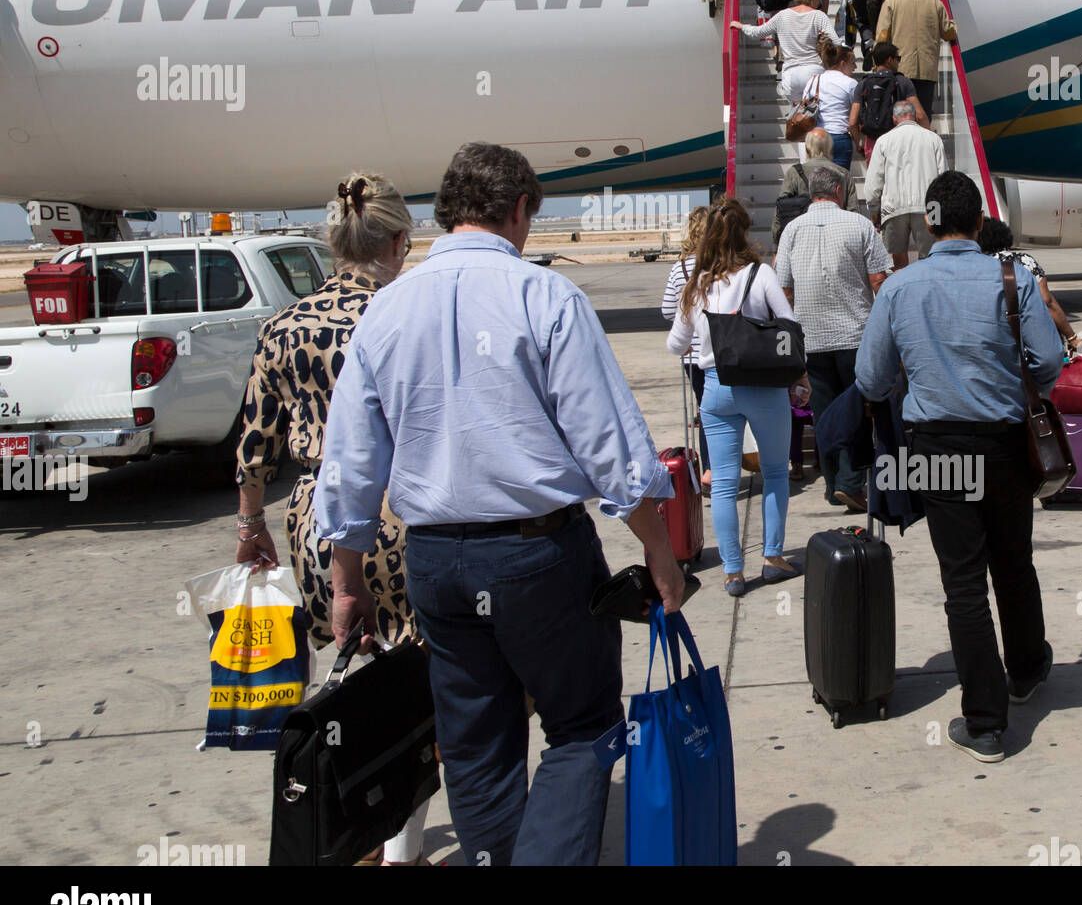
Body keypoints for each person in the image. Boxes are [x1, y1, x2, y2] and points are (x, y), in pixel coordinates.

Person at [313, 142, 685, 867]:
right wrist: (659, 550)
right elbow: (609, 445)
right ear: (517, 210)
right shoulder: (543, 297)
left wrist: (345, 582)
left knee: (476, 743)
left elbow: (352, 464)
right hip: (535, 554)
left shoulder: (386, 311)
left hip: (435, 562)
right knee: (580, 727)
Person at [235, 170, 435, 866]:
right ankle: (403, 849)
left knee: (349, 672)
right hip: (404, 511)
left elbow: (256, 443)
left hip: (318, 519)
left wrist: (249, 527)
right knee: (416, 683)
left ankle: (355, 835)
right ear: (400, 242)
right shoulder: (407, 315)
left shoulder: (282, 328)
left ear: (331, 244)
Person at [855, 170, 1064, 763]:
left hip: (937, 451)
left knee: (963, 584)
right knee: (1014, 564)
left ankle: (985, 723)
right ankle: (1025, 671)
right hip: (1004, 447)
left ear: (929, 223)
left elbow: (871, 379)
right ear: (978, 222)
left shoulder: (900, 287)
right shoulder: (1013, 277)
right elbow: (1049, 361)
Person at [668, 197, 808, 596]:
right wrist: (800, 376)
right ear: (744, 233)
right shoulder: (760, 275)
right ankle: (772, 558)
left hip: (716, 388)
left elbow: (675, 345)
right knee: (776, 472)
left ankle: (733, 572)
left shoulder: (698, 285)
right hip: (763, 388)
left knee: (726, 485)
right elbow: (789, 327)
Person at [775, 166, 891, 510]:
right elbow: (879, 282)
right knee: (856, 411)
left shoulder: (792, 230)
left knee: (824, 413)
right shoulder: (859, 226)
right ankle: (851, 482)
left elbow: (784, 290)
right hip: (855, 335)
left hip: (811, 338)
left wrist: (789, 342)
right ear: (839, 190)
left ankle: (833, 485)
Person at [661, 204, 712, 489]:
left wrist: (687, 314)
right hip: (717, 350)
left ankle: (707, 470)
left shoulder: (679, 268)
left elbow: (668, 310)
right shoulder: (720, 265)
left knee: (705, 408)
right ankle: (715, 467)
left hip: (690, 352)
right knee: (717, 411)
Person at [863, 101, 947, 268]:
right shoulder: (933, 139)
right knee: (932, 257)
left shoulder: (883, 141)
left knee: (898, 259)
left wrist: (874, 210)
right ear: (915, 116)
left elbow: (874, 182)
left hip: (893, 206)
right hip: (930, 207)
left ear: (894, 119)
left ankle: (904, 289)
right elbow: (944, 179)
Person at [732, 0, 838, 106]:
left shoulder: (782, 15)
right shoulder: (818, 16)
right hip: (813, 71)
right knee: (815, 116)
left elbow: (758, 32)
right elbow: (836, 42)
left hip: (790, 74)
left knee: (797, 119)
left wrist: (742, 26)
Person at [977, 217, 1080, 351]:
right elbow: (1047, 301)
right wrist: (1071, 337)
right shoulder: (1024, 260)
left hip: (994, 341)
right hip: (1030, 339)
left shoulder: (977, 265)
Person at [875, 0, 956, 121]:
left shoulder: (892, 2)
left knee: (901, 117)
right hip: (927, 71)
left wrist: (877, 65)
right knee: (923, 115)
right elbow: (949, 32)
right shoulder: (935, 3)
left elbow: (883, 38)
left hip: (900, 70)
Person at [771, 128, 853, 249]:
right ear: (830, 148)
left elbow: (780, 211)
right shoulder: (843, 173)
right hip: (837, 239)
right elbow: (853, 210)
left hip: (802, 240)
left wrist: (776, 247)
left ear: (807, 149)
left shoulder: (794, 173)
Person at [849, 41, 930, 163]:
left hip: (873, 144)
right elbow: (920, 115)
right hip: (899, 142)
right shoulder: (903, 82)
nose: (898, 62)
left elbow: (852, 122)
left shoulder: (863, 84)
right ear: (889, 60)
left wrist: (859, 144)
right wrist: (928, 138)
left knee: (876, 181)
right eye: (898, 58)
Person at [815, 39, 860, 170]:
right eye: (853, 63)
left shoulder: (815, 80)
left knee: (819, 183)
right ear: (842, 63)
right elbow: (854, 120)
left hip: (818, 136)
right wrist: (858, 142)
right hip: (839, 136)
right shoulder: (851, 84)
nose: (855, 67)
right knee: (839, 182)